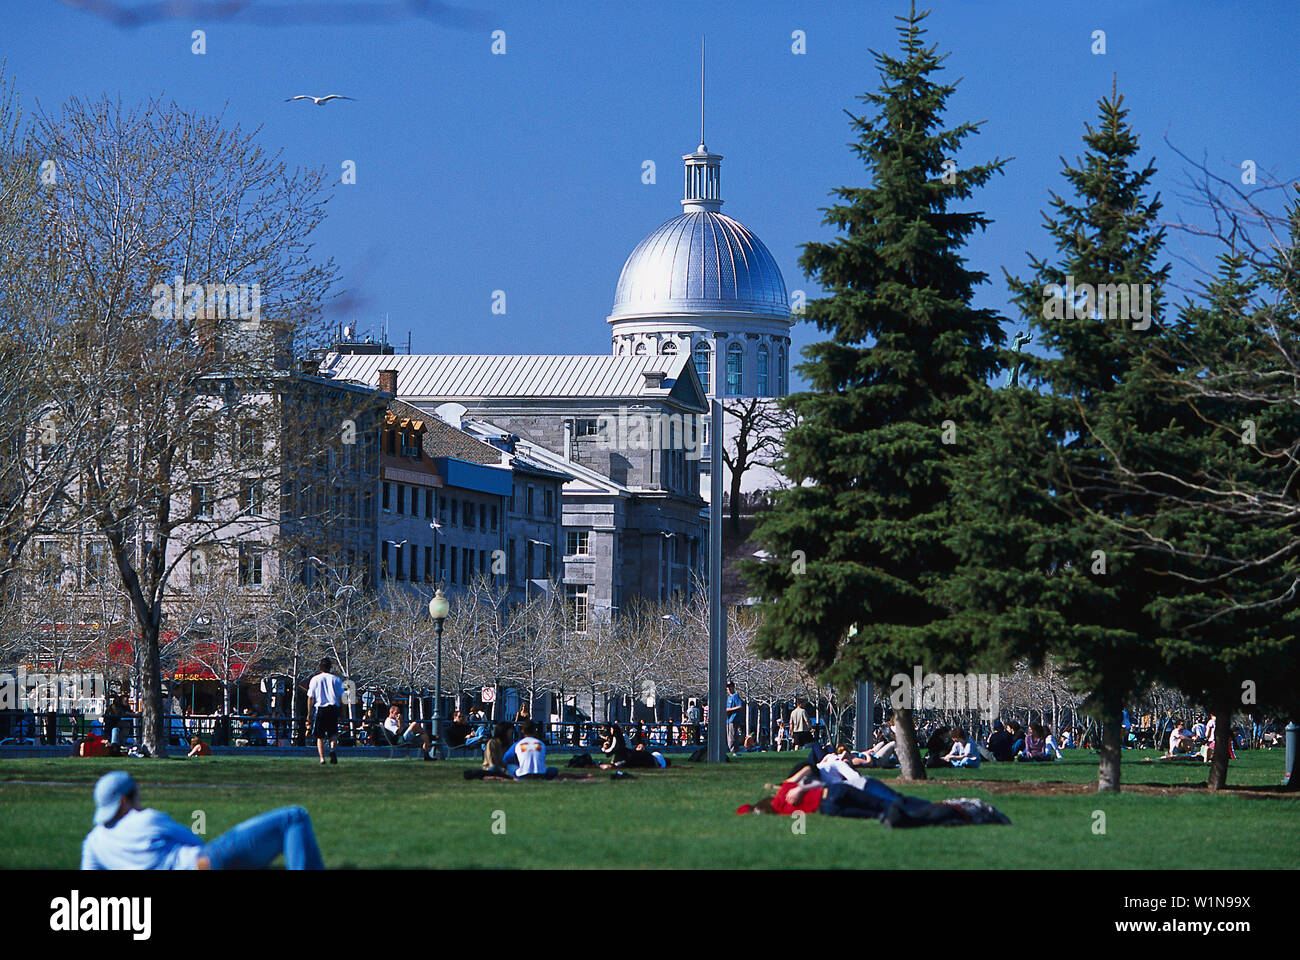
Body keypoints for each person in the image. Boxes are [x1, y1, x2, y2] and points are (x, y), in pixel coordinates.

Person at [81, 771, 324, 870]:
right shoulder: (146, 819)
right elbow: (195, 843)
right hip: (202, 863)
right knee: (294, 817)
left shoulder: (93, 842)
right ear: (125, 800)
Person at [736, 763, 1010, 828]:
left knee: (888, 810)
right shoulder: (785, 797)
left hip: (835, 801)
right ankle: (958, 811)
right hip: (834, 796)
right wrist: (803, 788)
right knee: (890, 808)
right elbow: (808, 769)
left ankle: (955, 812)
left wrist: (801, 790)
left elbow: (801, 825)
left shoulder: (785, 808)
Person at [306, 658, 345, 765]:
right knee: (333, 733)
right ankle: (332, 749)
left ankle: (322, 758)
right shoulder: (336, 679)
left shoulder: (315, 679)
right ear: (330, 667)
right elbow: (342, 698)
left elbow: (310, 697)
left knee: (320, 735)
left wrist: (309, 713)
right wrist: (342, 713)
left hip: (321, 708)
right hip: (333, 708)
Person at [725, 682, 744, 753]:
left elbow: (740, 706)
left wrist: (729, 710)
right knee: (729, 736)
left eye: (730, 687)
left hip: (734, 719)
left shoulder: (735, 696)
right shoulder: (728, 697)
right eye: (727, 687)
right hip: (728, 719)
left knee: (732, 736)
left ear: (733, 687)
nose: (729, 689)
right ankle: (733, 749)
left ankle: (733, 750)